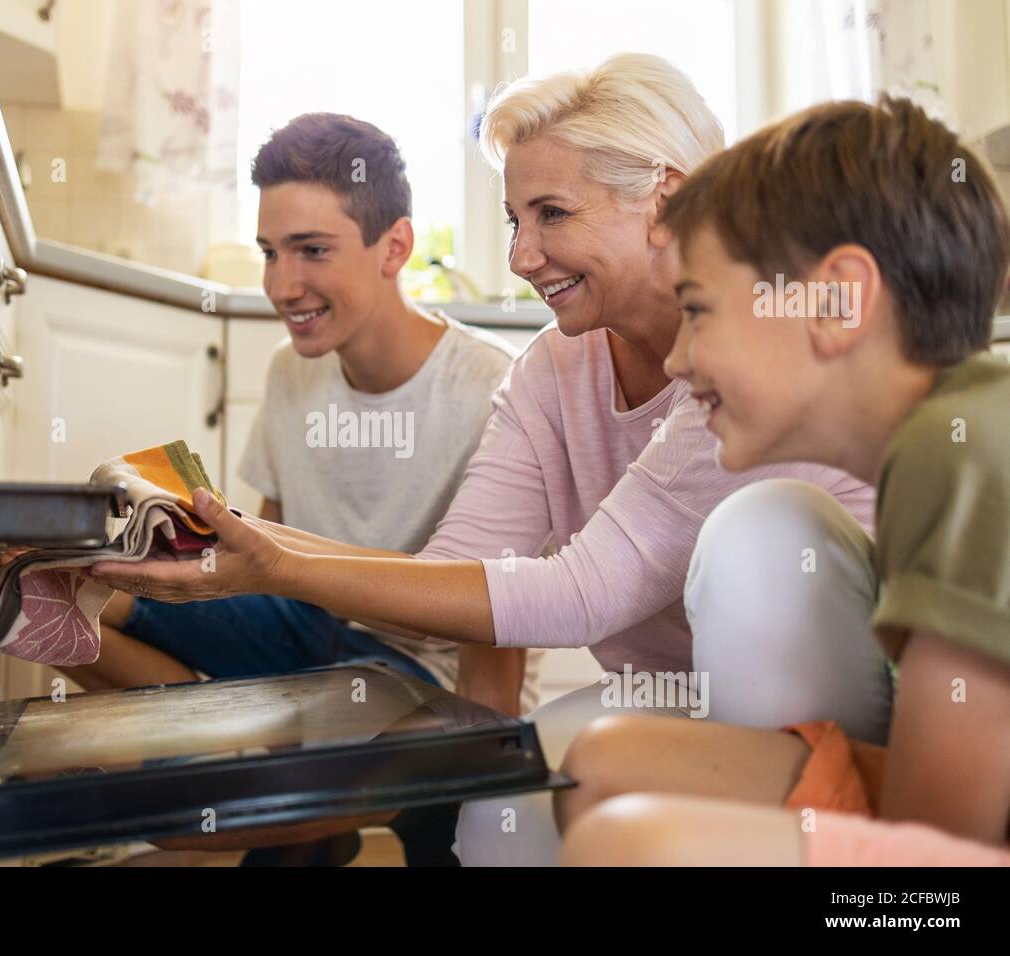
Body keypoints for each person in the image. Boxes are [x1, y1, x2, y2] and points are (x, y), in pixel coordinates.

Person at [90, 55, 887, 866]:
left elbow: (579, 593)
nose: (521, 255)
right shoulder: (553, 370)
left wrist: (273, 568)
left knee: (761, 531)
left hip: (833, 713)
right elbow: (458, 574)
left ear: (667, 200)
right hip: (679, 700)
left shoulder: (740, 355)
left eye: (551, 214)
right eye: (514, 220)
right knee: (505, 812)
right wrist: (260, 554)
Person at [556, 95, 1010, 866]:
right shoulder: (946, 437)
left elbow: (939, 853)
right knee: (600, 766)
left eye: (697, 310)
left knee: (629, 842)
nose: (675, 360)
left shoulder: (960, 450)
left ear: (836, 302)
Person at [62, 112, 521, 706]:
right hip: (303, 624)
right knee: (71, 584)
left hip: (421, 663)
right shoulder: (289, 370)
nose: (281, 287)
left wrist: (487, 777)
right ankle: (198, 738)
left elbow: (500, 621)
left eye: (312, 250)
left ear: (396, 247)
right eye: (270, 253)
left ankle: (233, 738)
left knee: (322, 719)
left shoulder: (492, 386)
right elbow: (260, 554)